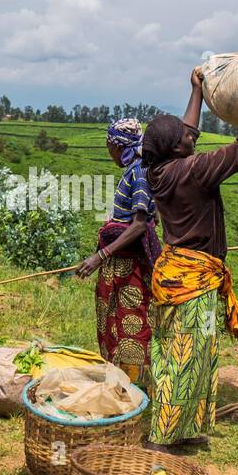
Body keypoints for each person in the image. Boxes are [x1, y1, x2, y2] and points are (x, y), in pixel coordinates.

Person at [140, 67, 238, 451]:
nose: (190, 134)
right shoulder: (194, 171)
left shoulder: (160, 171)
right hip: (194, 283)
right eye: (184, 135)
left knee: (195, 354)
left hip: (181, 276)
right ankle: (162, 438)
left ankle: (185, 427)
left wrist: (195, 91)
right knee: (183, 358)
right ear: (177, 147)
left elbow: (185, 133)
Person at [76, 118, 162, 387]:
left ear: (117, 145)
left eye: (109, 146)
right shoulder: (137, 169)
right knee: (118, 321)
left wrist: (99, 256)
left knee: (130, 325)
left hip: (129, 267)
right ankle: (122, 381)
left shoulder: (138, 172)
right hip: (121, 263)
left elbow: (139, 224)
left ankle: (132, 386)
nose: (108, 152)